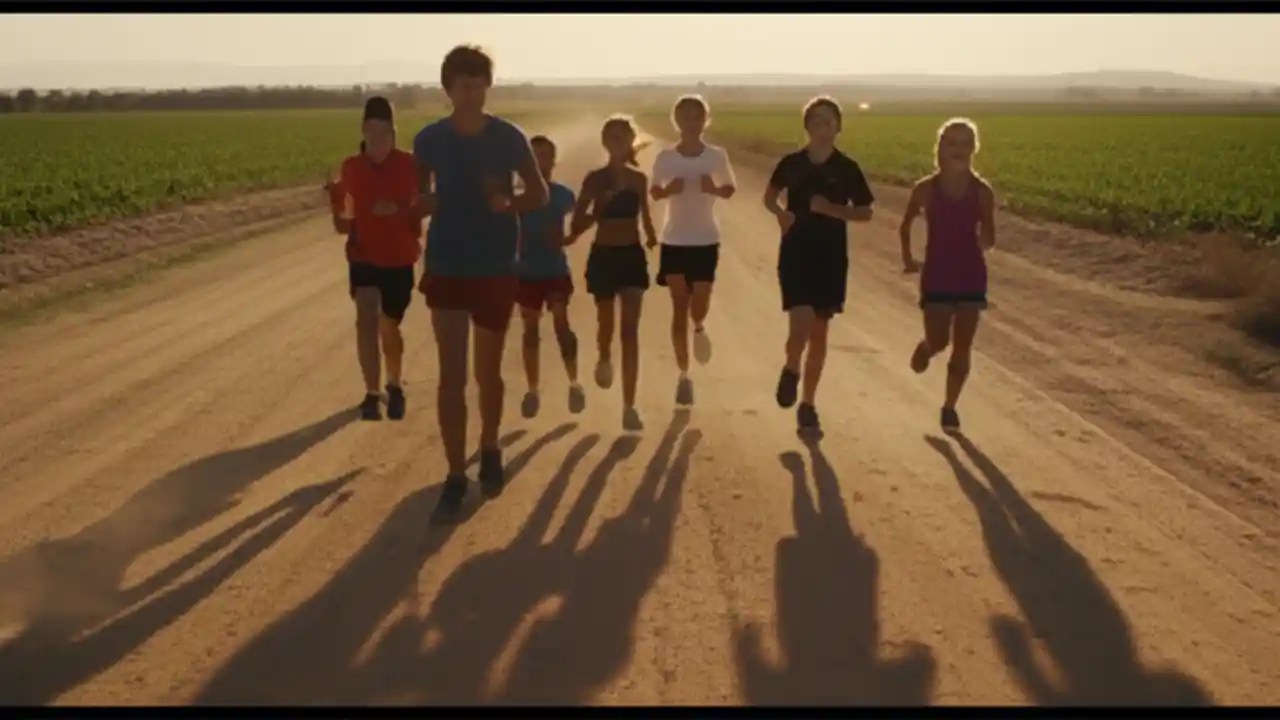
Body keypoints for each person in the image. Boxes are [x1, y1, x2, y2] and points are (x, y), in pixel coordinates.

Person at [413, 45, 549, 515]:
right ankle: (454, 473)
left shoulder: (509, 137)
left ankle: (489, 445)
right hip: (447, 264)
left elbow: (538, 192)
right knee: (450, 377)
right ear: (447, 88)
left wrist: (510, 204)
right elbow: (418, 195)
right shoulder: (429, 140)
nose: (470, 92)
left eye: (478, 83)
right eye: (462, 83)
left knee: (486, 372)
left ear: (488, 86)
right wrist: (420, 206)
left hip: (494, 264)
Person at [762, 96, 875, 438]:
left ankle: (808, 404)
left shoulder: (847, 168)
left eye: (828, 120)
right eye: (815, 119)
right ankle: (791, 368)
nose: (821, 125)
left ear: (838, 127)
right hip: (796, 250)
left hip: (830, 255)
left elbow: (866, 211)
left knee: (820, 332)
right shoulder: (791, 163)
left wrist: (833, 210)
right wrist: (781, 214)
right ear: (806, 125)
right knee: (800, 325)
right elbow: (769, 196)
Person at [899, 117, 996, 433]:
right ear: (940, 148)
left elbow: (989, 235)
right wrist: (908, 259)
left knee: (963, 344)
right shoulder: (925, 189)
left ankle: (950, 407)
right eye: (952, 143)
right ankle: (927, 347)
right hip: (937, 274)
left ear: (974, 149)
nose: (959, 149)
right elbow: (906, 224)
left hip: (970, 274)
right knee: (940, 339)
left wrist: (985, 240)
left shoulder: (982, 192)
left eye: (965, 143)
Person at [566, 115, 657, 432]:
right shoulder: (594, 180)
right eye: (612, 136)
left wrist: (652, 236)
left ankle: (630, 406)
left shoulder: (638, 180)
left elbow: (644, 215)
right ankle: (604, 355)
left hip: (631, 257)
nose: (617, 141)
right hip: (603, 256)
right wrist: (596, 211)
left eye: (623, 136)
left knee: (630, 332)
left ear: (630, 140)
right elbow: (577, 223)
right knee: (606, 324)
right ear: (605, 142)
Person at [332, 100, 421, 422]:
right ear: (363, 131)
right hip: (363, 254)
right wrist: (336, 207)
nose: (379, 141)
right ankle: (371, 394)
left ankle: (394, 384)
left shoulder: (411, 165)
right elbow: (344, 218)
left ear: (394, 133)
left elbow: (423, 206)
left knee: (389, 325)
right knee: (366, 316)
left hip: (399, 257)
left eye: (385, 134)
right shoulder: (351, 167)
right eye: (373, 133)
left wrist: (397, 210)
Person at [649, 95, 737, 406]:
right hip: (674, 240)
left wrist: (713, 188)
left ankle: (699, 327)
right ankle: (683, 376)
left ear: (705, 120)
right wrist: (666, 191)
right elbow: (655, 190)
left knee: (698, 304)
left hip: (705, 240)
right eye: (685, 116)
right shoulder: (665, 158)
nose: (690, 121)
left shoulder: (715, 157)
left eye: (696, 116)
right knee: (678, 307)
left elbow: (729, 188)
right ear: (677, 121)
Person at [515, 134, 585, 419]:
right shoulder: (517, 197)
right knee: (530, 330)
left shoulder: (563, 195)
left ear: (554, 161)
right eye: (535, 155)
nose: (540, 161)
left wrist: (568, 238)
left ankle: (574, 382)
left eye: (545, 156)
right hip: (526, 271)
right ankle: (532, 390)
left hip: (555, 269)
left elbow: (581, 217)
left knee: (561, 324)